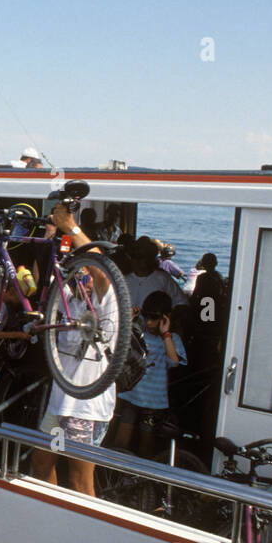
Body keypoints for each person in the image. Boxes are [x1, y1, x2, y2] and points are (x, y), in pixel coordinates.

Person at [31, 203, 118, 496]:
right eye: (80, 273)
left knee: (80, 482)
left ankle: (81, 535)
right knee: (41, 462)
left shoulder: (108, 303)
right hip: (60, 404)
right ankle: (50, 517)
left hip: (86, 409)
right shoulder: (72, 300)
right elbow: (45, 274)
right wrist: (51, 236)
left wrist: (73, 228)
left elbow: (103, 271)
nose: (85, 278)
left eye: (89, 273)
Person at [110, 290, 186, 460]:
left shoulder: (172, 340)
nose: (149, 322)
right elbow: (116, 343)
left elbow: (174, 362)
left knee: (146, 445)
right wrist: (130, 320)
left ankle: (139, 482)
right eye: (147, 317)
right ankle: (114, 477)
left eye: (155, 318)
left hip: (152, 403)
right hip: (132, 396)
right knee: (120, 442)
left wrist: (166, 334)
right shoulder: (138, 332)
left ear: (166, 317)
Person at [124, 236, 184, 313]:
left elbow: (181, 303)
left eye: (141, 256)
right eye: (133, 256)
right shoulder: (124, 280)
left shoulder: (163, 278)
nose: (136, 260)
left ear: (150, 258)